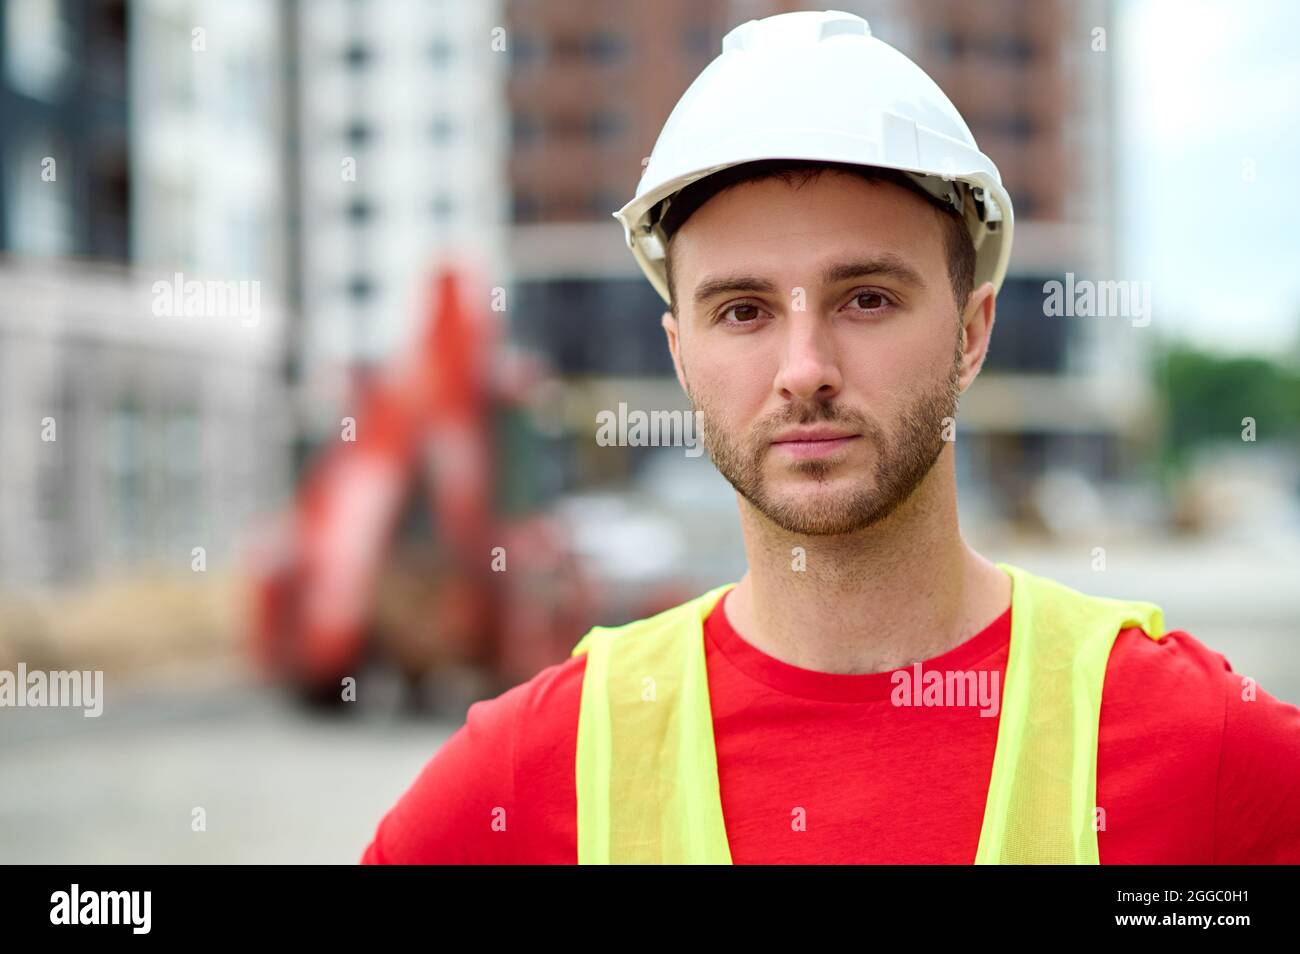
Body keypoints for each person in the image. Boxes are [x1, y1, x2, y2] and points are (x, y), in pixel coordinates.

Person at [363, 10, 1300, 864]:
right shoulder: (539, 769)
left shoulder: (1197, 748)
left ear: (972, 334)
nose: (803, 365)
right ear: (681, 355)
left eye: (867, 298)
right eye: (743, 311)